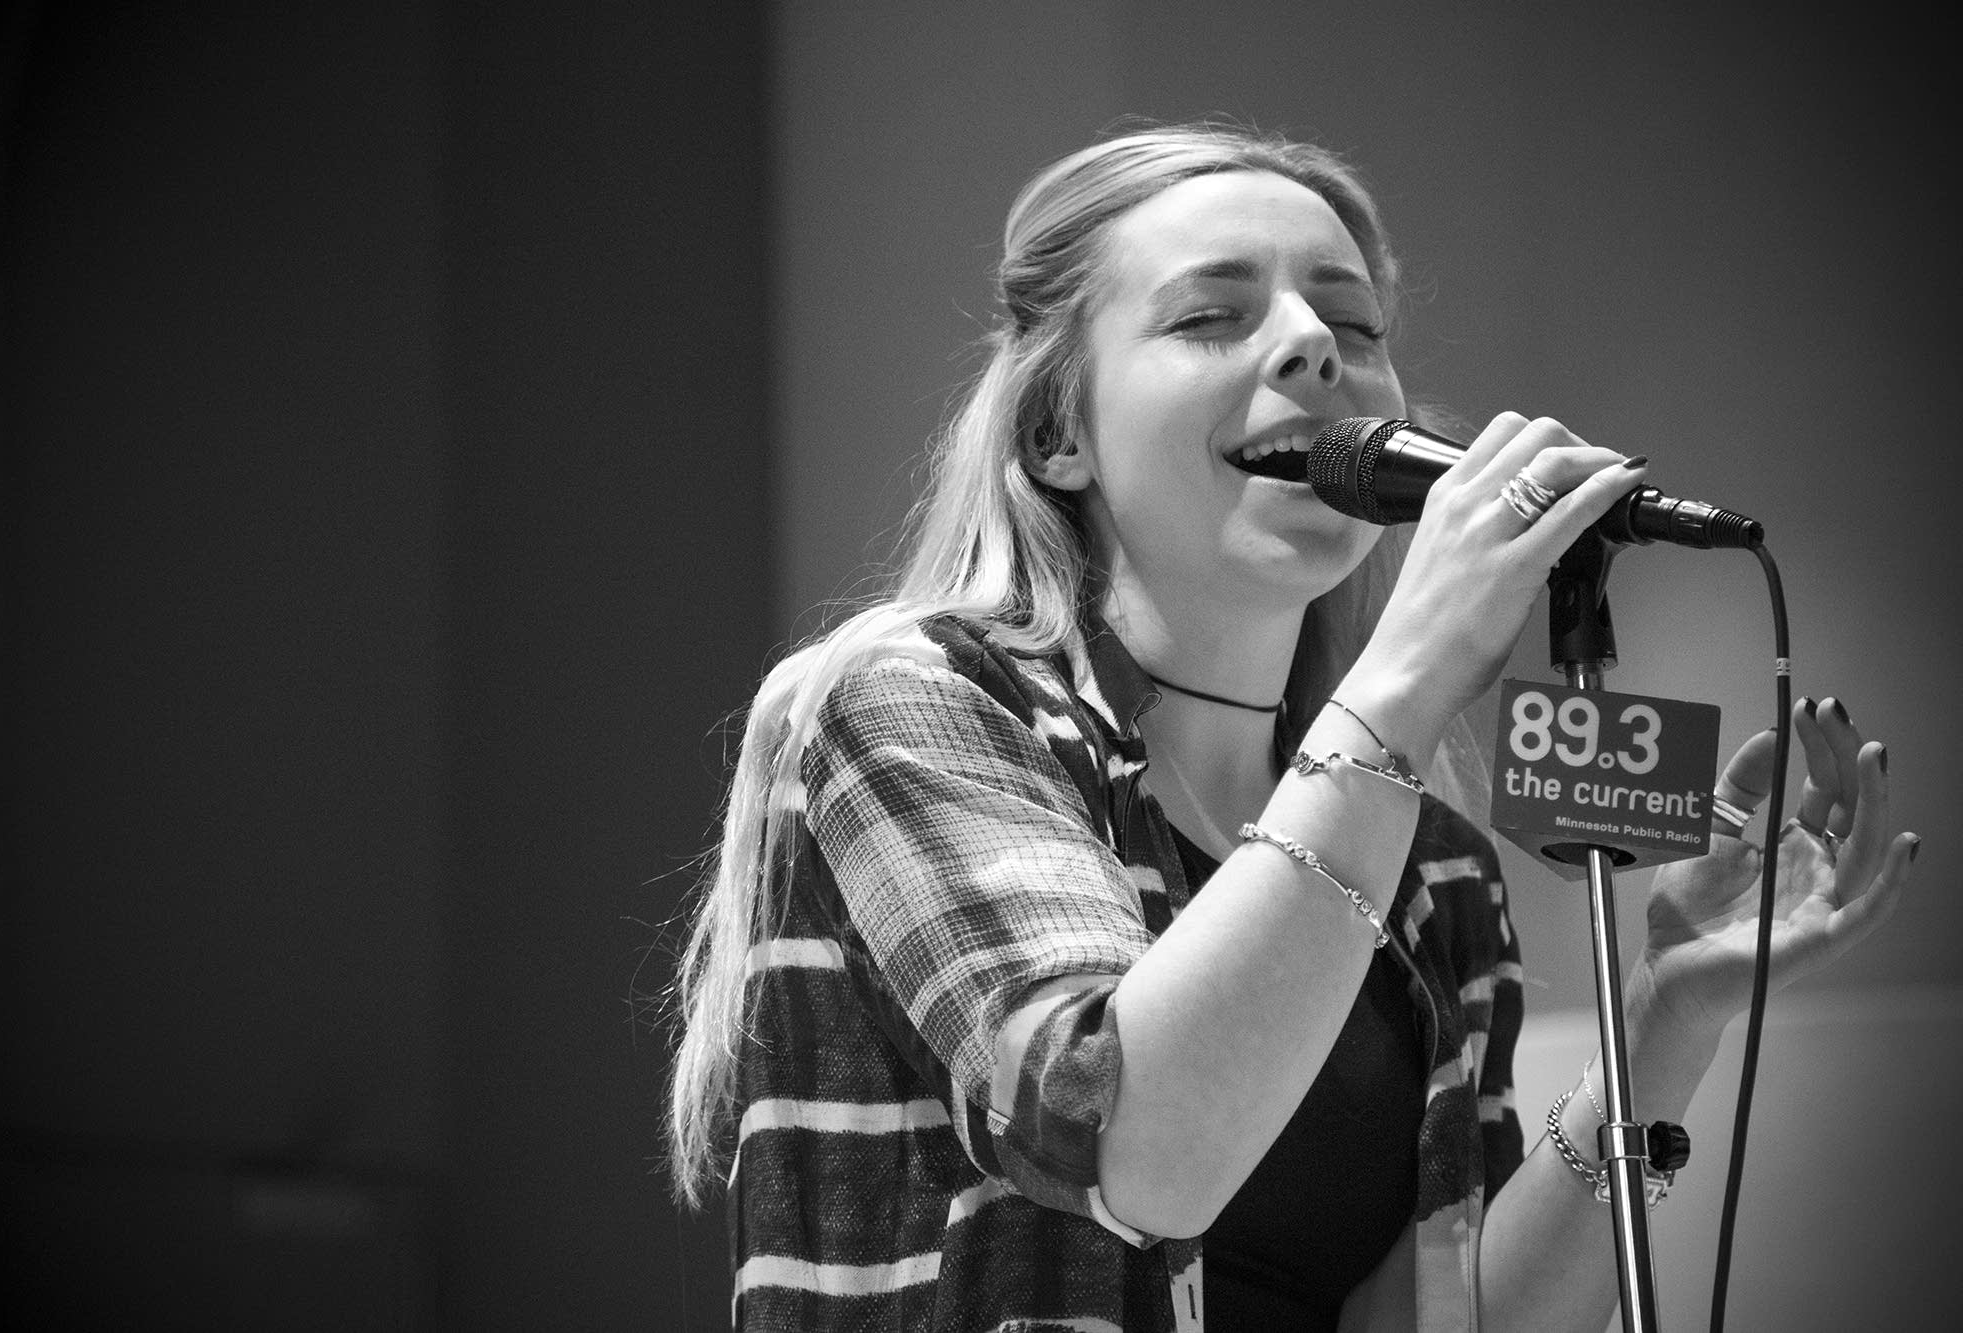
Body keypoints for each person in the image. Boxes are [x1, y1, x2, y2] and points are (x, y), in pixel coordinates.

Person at [665, 122, 1918, 1331]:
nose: (1313, 344)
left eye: (1353, 321)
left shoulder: (1427, 866)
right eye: (1211, 314)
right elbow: (1124, 1143)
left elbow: (1434, 1319)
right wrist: (1409, 680)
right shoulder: (919, 701)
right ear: (1056, 434)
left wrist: (1665, 1020)